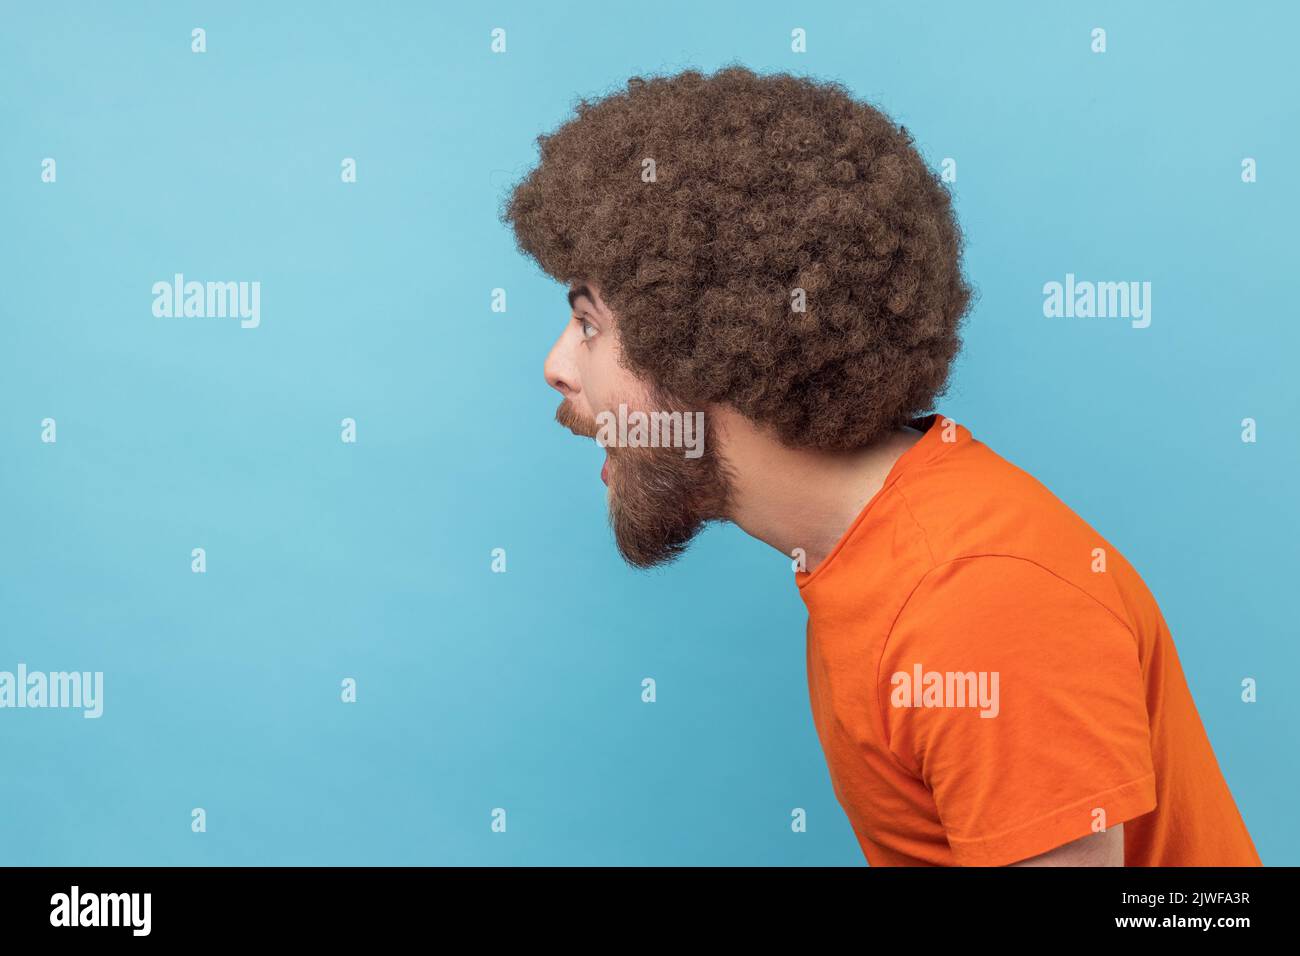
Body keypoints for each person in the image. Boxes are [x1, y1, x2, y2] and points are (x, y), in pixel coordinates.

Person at [501, 66, 1261, 867]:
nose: (557, 365)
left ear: (717, 343)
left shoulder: (975, 599)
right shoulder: (870, 560)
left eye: (588, 323)